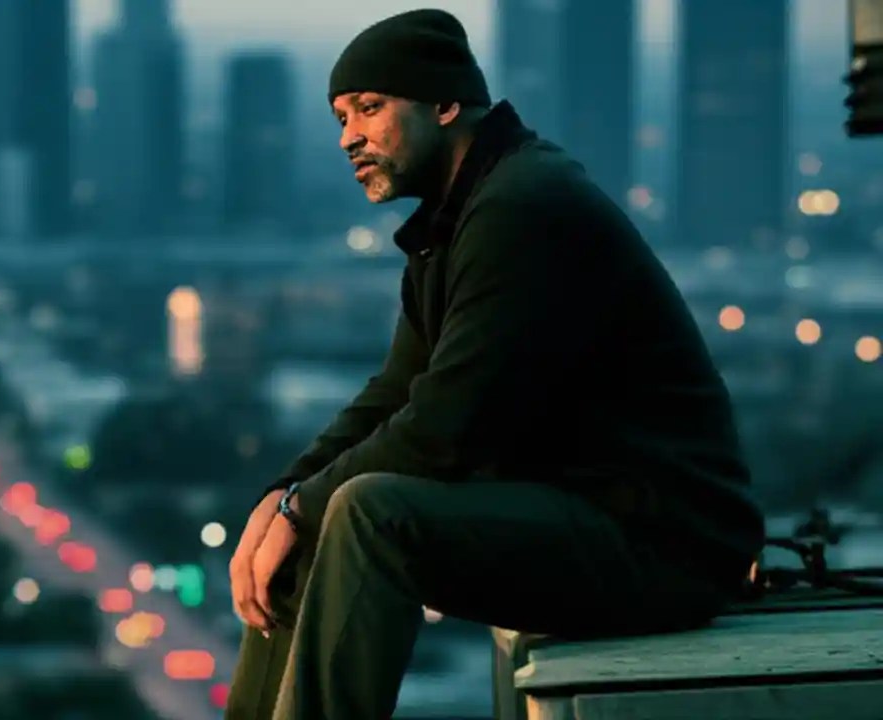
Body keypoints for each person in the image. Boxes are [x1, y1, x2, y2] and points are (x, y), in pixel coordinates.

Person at [224, 8, 766, 720]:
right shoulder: (459, 218)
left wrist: (307, 505)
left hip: (663, 546)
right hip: (593, 520)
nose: (347, 136)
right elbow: (393, 394)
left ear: (446, 104)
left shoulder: (522, 207)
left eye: (368, 108)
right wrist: (285, 496)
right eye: (340, 117)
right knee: (321, 509)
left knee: (366, 511)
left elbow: (447, 427)